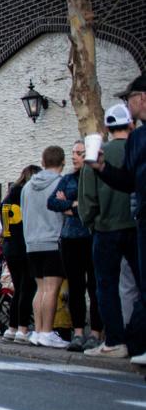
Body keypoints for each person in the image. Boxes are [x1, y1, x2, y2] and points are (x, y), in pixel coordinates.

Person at [79, 104, 136, 358]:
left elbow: (87, 199)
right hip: (136, 226)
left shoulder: (98, 154)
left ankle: (115, 340)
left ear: (108, 128)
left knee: (106, 285)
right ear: (131, 125)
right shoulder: (137, 150)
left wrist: (91, 222)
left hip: (105, 228)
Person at [49, 140, 102, 351]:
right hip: (70, 238)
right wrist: (72, 205)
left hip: (91, 237)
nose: (74, 157)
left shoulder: (95, 177)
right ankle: (78, 332)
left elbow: (95, 206)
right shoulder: (68, 179)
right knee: (76, 287)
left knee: (96, 286)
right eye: (72, 153)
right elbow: (52, 202)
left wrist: (72, 207)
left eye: (79, 153)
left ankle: (96, 332)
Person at [22, 145, 69, 349]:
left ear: (42, 162)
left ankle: (38, 331)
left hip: (32, 243)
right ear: (63, 162)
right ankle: (47, 332)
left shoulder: (27, 187)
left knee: (40, 289)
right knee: (52, 289)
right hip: (52, 241)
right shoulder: (61, 184)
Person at [0, 165, 41, 342]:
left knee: (18, 289)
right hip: (23, 246)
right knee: (27, 288)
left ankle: (12, 327)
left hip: (9, 246)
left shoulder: (9, 196)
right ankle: (22, 329)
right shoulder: (26, 194)